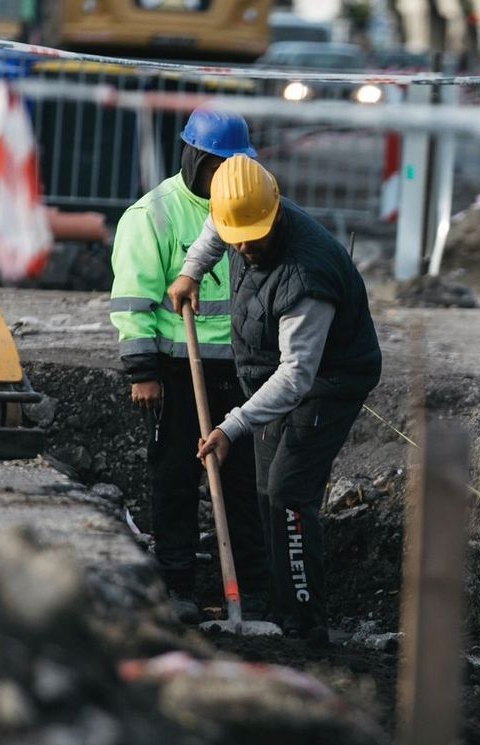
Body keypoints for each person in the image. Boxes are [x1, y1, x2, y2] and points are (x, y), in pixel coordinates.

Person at [167, 155, 381, 646]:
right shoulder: (244, 215)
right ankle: (273, 605)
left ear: (276, 212)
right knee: (264, 487)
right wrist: (192, 272)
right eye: (235, 235)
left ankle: (305, 623)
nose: (241, 246)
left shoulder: (307, 279)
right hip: (269, 372)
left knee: (288, 493)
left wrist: (230, 425)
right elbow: (218, 229)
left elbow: (297, 376)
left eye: (252, 237)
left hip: (329, 380)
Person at [110, 110, 269, 624]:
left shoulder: (247, 206)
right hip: (179, 373)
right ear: (199, 161)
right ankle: (176, 583)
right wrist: (143, 371)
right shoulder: (152, 215)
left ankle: (251, 589)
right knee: (175, 478)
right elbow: (133, 300)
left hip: (239, 372)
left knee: (244, 484)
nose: (230, 178)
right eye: (222, 167)